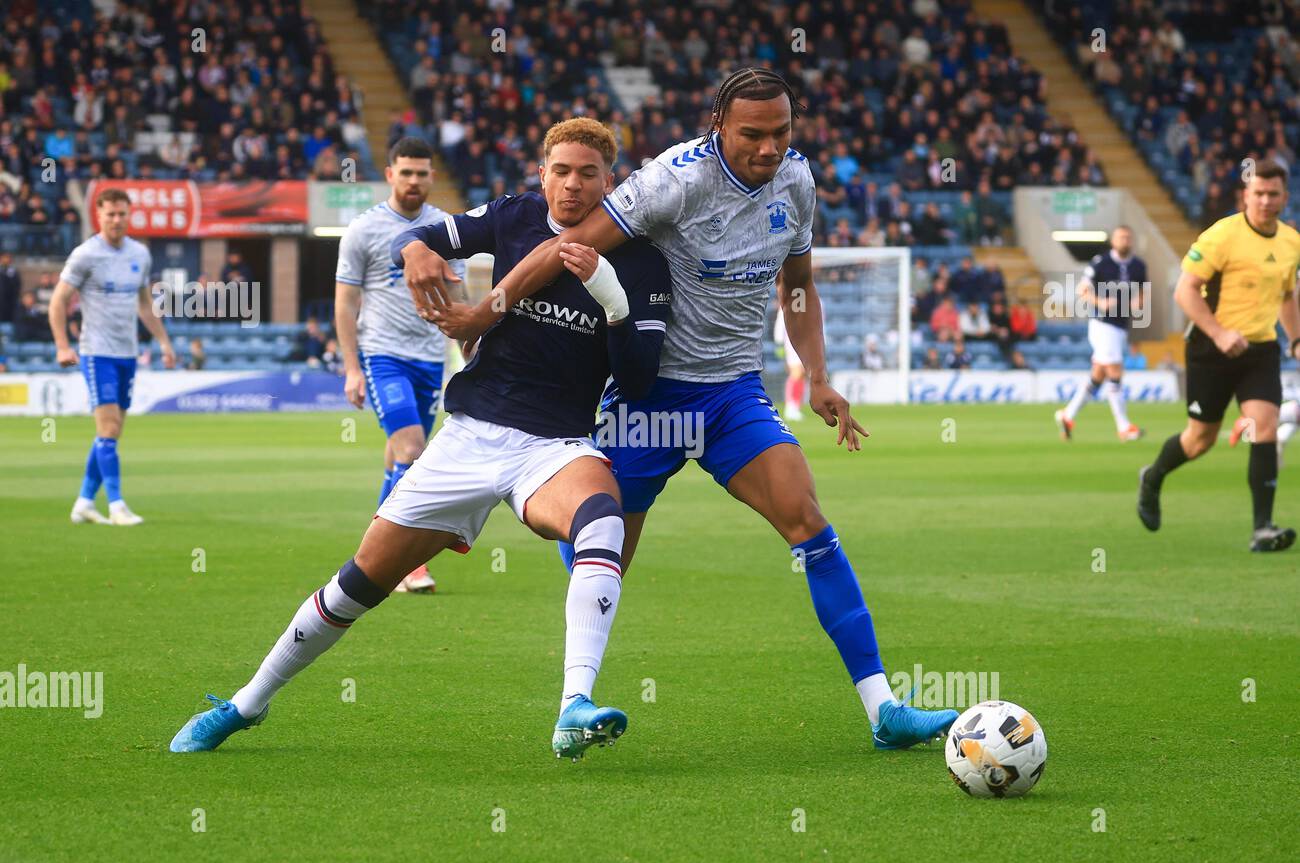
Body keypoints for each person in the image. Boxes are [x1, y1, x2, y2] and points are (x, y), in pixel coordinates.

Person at [406, 67, 958, 750]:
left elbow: (799, 286)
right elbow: (563, 247)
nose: (768, 148)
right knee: (599, 550)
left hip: (730, 393)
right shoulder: (674, 179)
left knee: (808, 521)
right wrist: (484, 316)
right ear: (718, 126)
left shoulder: (797, 181)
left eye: (781, 132)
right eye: (752, 134)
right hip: (646, 397)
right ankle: (575, 705)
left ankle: (884, 711)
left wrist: (815, 374)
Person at [170, 118, 672, 762]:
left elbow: (637, 378)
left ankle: (575, 704)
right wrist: (415, 249)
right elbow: (424, 234)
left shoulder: (643, 262)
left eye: (589, 174)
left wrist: (612, 299)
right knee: (358, 583)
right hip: (467, 438)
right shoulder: (515, 217)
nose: (573, 186)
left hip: (554, 446)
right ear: (542, 173)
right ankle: (246, 704)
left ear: (613, 180)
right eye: (561, 171)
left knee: (603, 520)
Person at [1138, 161, 1300, 552]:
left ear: (1284, 197)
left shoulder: (1291, 242)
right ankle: (1153, 476)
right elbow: (1185, 291)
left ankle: (1262, 528)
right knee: (1200, 440)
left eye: (1272, 194)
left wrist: (1296, 341)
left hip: (1259, 349)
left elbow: (1288, 295)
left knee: (1265, 422)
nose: (1264, 200)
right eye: (1257, 193)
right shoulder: (1222, 235)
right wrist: (1219, 332)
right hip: (1210, 349)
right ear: (1245, 195)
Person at [334, 137, 464, 594]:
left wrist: (470, 357)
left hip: (430, 358)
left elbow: (458, 299)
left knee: (398, 457)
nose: (413, 181)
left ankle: (372, 557)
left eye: (421, 173)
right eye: (405, 172)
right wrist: (352, 368)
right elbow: (346, 303)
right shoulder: (364, 229)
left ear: (432, 176)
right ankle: (409, 566)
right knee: (412, 451)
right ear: (389, 174)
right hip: (382, 354)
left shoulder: (447, 229)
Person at [51, 188, 175, 526]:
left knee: (113, 430)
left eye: (122, 214)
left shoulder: (140, 253)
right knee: (109, 426)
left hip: (128, 353)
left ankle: (84, 502)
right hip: (97, 352)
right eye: (110, 214)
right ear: (99, 216)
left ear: (128, 214)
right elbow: (58, 300)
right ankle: (117, 504)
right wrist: (63, 345)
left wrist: (164, 342)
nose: (117, 220)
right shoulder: (85, 255)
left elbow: (145, 305)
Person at [1055, 226, 1148, 442]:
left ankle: (1068, 416)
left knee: (1098, 375)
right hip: (1102, 324)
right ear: (1113, 240)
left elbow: (1142, 289)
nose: (1124, 240)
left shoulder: (1138, 266)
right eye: (1120, 237)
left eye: (1127, 237)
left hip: (1121, 325)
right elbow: (1082, 289)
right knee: (1115, 371)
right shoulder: (1101, 263)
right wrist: (1100, 302)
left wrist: (1138, 302)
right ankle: (1123, 427)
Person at [772, 293, 805, 421]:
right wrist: (779, 343)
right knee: (796, 373)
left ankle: (795, 405)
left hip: (804, 342)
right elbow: (780, 323)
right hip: (791, 342)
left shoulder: (808, 299)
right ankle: (791, 406)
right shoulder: (789, 300)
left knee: (801, 374)